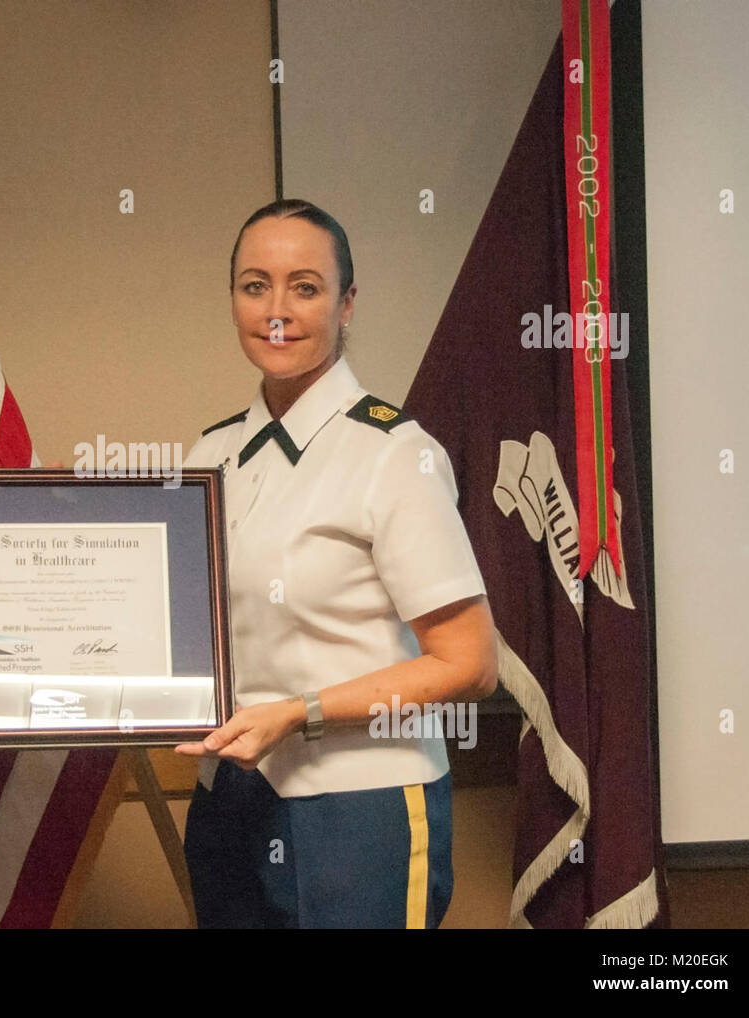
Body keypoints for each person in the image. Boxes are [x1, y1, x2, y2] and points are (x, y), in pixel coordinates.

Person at [176, 198, 498, 928]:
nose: (277, 310)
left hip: (364, 807)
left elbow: (471, 664)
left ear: (348, 303)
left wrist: (301, 714)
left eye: (306, 287)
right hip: (229, 799)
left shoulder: (394, 455)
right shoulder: (207, 457)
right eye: (255, 285)